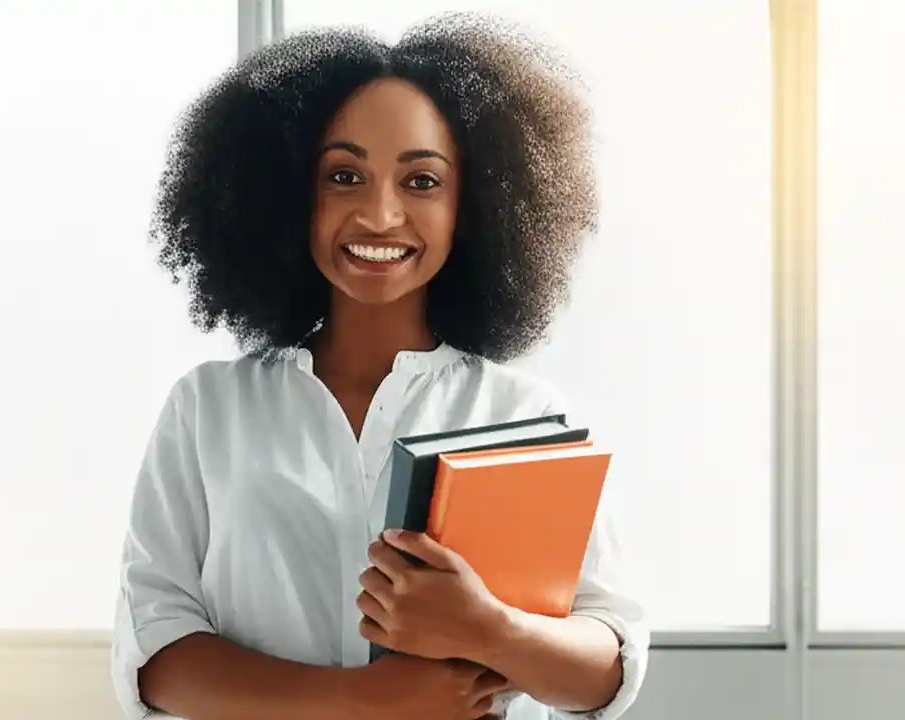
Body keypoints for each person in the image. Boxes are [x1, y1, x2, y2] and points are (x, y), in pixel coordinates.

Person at [111, 12, 648, 720]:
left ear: (475, 206)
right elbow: (155, 654)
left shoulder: (527, 417)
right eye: (344, 176)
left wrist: (488, 628)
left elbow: (609, 665)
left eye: (422, 181)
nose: (380, 214)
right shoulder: (208, 409)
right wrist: (370, 701)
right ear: (290, 197)